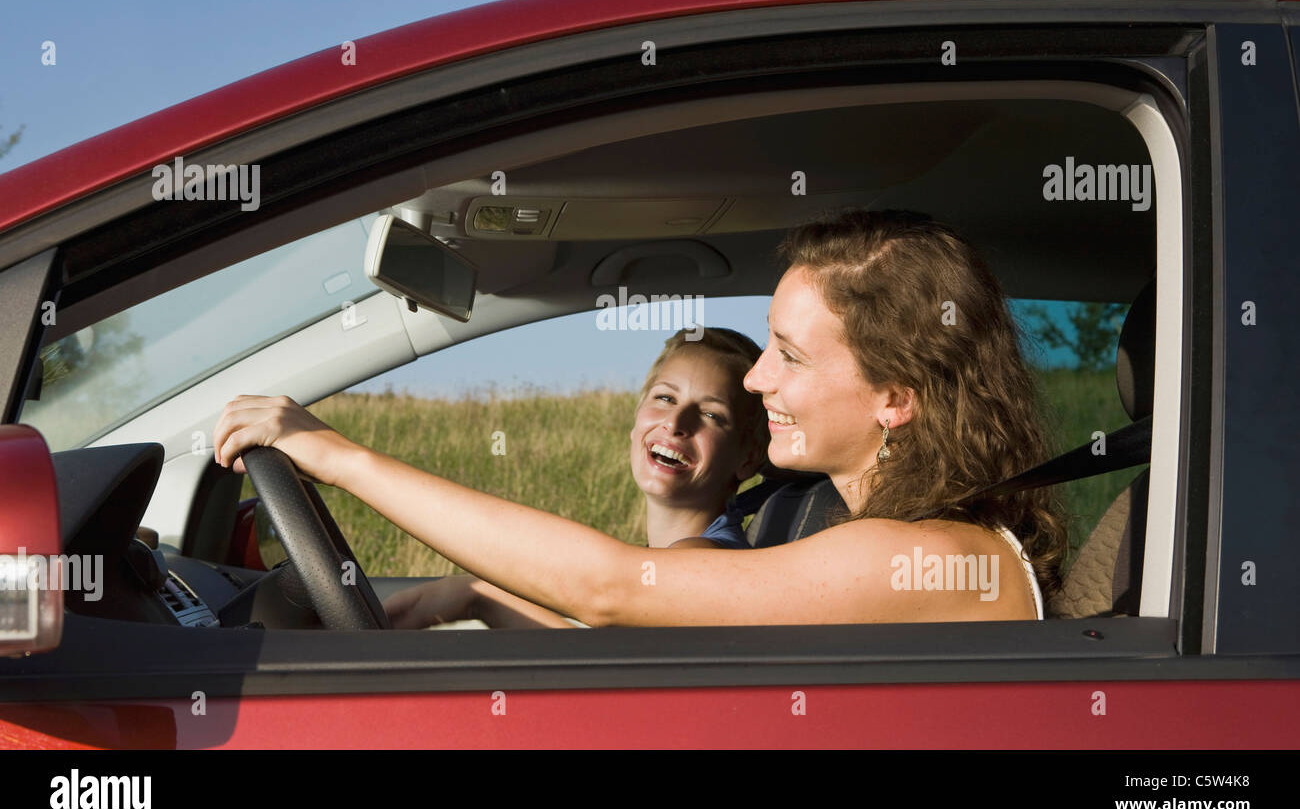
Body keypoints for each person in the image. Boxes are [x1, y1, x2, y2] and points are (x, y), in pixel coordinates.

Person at [213, 209, 1066, 626]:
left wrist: (338, 456)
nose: (759, 378)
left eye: (792, 358)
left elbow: (611, 588)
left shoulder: (936, 557)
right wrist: (471, 593)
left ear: (897, 398)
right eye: (769, 346)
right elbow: (629, 639)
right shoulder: (877, 532)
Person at [383, 326, 771, 628]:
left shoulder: (710, 562)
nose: (675, 423)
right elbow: (606, 660)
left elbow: (604, 594)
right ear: (636, 423)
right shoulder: (670, 559)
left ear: (747, 458)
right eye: (665, 398)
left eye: (711, 415)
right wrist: (476, 595)